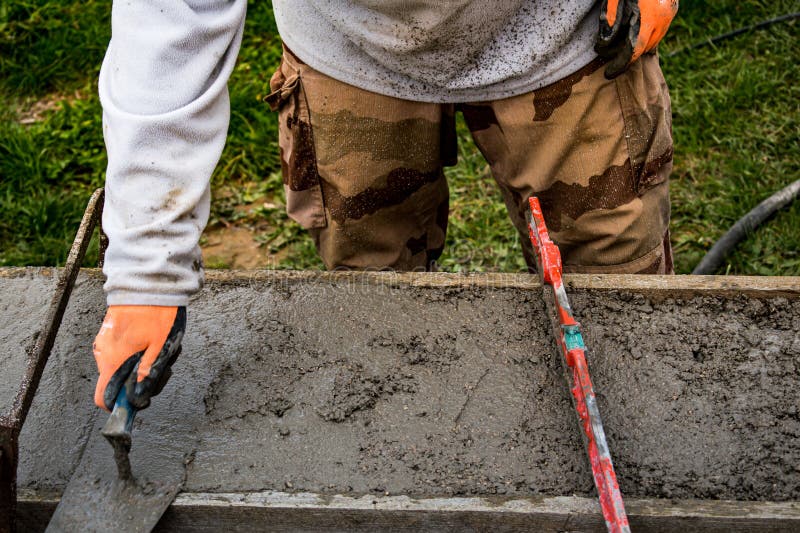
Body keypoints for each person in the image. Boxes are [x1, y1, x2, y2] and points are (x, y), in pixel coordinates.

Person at [92, 0, 678, 412]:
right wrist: (148, 273)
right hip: (348, 46)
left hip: (567, 36)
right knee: (375, 319)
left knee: (621, 315)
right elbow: (170, 17)